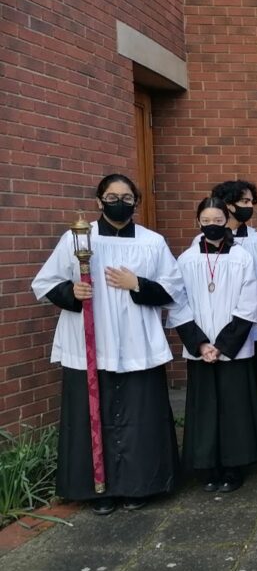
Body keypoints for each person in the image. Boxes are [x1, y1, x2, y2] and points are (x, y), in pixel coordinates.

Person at [31, 174, 185, 515]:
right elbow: (45, 282)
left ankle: (138, 484)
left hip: (135, 343)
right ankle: (97, 490)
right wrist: (71, 292)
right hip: (90, 343)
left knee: (140, 416)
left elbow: (174, 289)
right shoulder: (76, 238)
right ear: (99, 201)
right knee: (90, 415)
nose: (121, 202)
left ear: (136, 202)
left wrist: (138, 284)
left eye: (128, 197)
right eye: (113, 196)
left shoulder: (152, 242)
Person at [169, 198, 257, 492]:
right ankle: (207, 466)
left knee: (233, 408)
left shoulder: (241, 258)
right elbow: (178, 302)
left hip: (232, 348)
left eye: (217, 220)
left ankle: (233, 467)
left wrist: (223, 346)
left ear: (227, 221)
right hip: (200, 347)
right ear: (197, 222)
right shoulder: (186, 260)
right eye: (206, 220)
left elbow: (249, 303)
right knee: (204, 408)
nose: (212, 225)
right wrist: (200, 344)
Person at [209, 180, 257, 440]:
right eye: (245, 202)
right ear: (228, 205)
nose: (250, 207)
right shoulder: (208, 240)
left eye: (252, 202)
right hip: (226, 322)